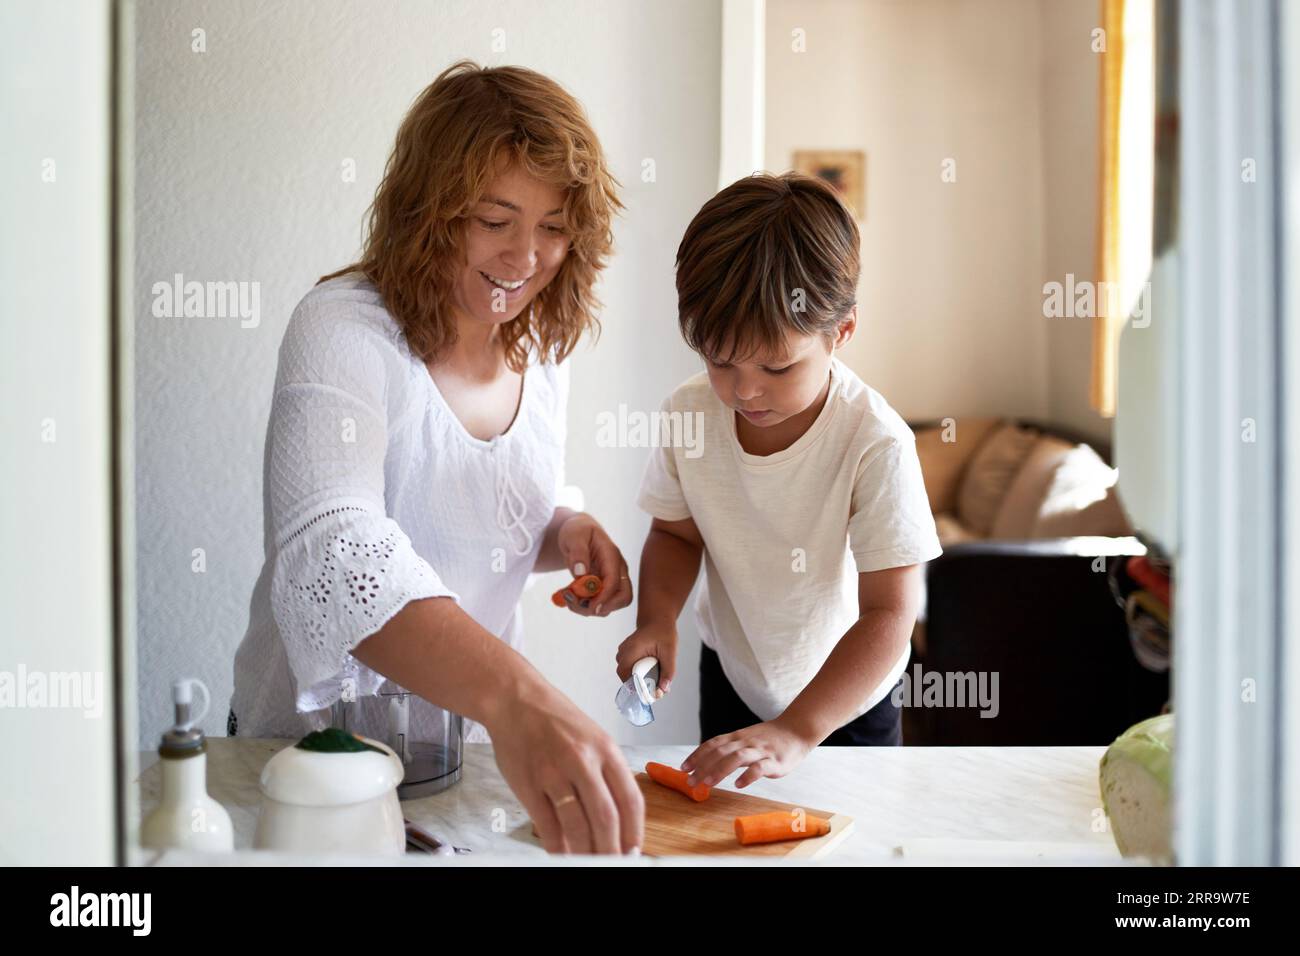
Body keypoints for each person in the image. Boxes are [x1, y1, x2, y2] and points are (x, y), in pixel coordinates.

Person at [231, 61, 643, 854]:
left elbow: (479, 508)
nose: (527, 257)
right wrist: (523, 700)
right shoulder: (343, 330)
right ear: (429, 211)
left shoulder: (542, 348)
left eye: (555, 226)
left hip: (466, 761)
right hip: (313, 768)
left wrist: (566, 531)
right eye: (496, 219)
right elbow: (334, 551)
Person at [618, 172, 943, 791]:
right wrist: (658, 617)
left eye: (776, 365)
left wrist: (798, 729)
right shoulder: (689, 414)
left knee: (851, 841)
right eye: (719, 360)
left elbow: (890, 613)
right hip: (734, 675)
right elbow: (675, 536)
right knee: (729, 835)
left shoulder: (876, 442)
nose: (744, 390)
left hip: (847, 697)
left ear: (840, 332)